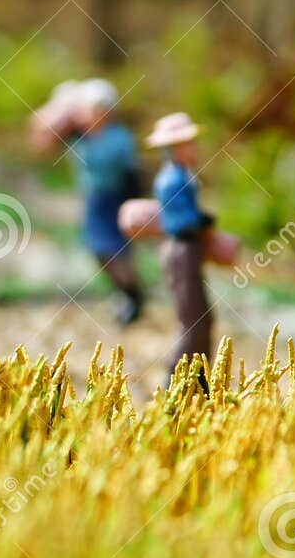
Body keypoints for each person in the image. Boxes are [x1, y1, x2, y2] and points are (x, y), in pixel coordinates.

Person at [67, 80, 145, 324]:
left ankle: (134, 294)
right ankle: (121, 291)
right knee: (97, 249)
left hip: (116, 199)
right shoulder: (81, 138)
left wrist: (133, 205)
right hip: (94, 200)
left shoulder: (120, 139)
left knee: (117, 250)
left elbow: (133, 174)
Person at [146, 112, 215, 387]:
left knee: (201, 316)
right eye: (187, 143)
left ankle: (198, 375)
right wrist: (201, 220)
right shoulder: (172, 180)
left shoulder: (181, 176)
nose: (193, 148)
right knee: (193, 318)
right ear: (174, 148)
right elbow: (181, 220)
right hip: (182, 248)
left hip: (188, 249)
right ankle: (175, 377)